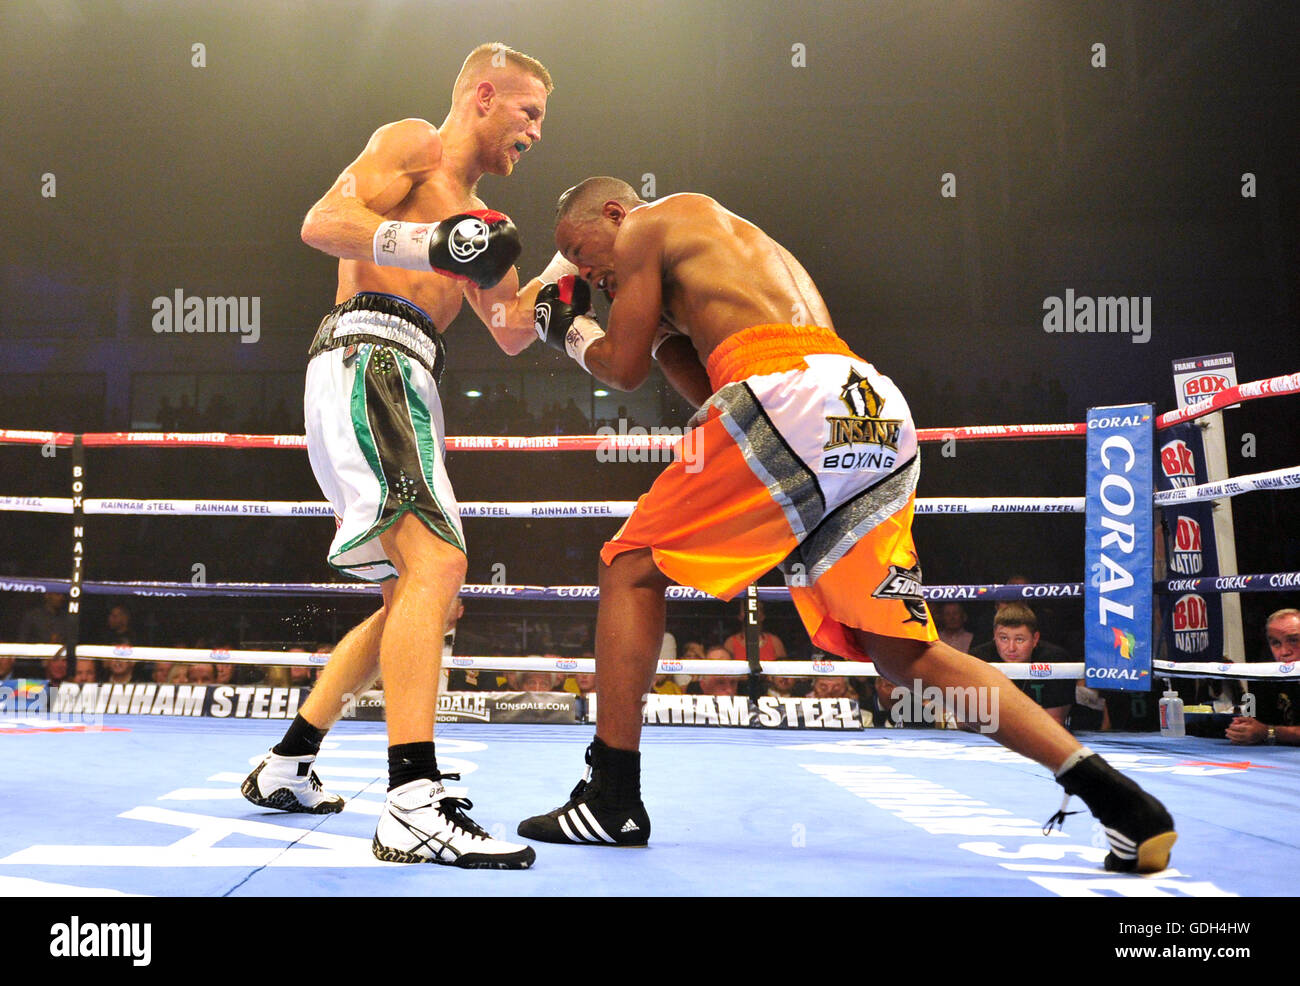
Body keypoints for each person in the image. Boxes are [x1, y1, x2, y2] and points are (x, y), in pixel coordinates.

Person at [518, 178, 1175, 872]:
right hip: (868, 410)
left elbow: (617, 370)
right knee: (899, 651)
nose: (582, 272)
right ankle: (1119, 801)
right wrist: (642, 331)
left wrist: (566, 328)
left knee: (629, 566)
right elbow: (710, 386)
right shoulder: (714, 257)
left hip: (793, 395)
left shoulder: (649, 221)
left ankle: (611, 797)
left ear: (614, 214)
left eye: (577, 250)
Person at [241, 43, 566, 869]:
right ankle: (414, 801)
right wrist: (431, 244)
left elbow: (509, 326)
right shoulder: (414, 143)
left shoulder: (486, 225)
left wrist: (575, 274)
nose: (536, 131)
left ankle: (288, 762)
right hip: (371, 355)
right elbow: (322, 221)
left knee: (414, 599)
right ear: (485, 96)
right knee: (438, 566)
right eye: (528, 112)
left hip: (407, 378)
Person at [971, 603, 1074, 726]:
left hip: (1038, 739)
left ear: (1035, 639)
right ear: (994, 635)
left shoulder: (1055, 659)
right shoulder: (978, 659)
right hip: (986, 739)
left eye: (1019, 639)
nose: (1011, 648)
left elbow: (1054, 722)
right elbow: (964, 720)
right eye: (1004, 638)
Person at [1228, 608, 1300, 746]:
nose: (1284, 652)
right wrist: (1242, 728)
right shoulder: (1270, 678)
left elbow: (1266, 730)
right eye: (1276, 643)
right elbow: (1258, 723)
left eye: (1293, 640)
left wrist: (1269, 732)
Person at [722, 600, 787, 663]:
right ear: (739, 616)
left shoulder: (774, 642)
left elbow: (782, 669)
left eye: (757, 609)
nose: (751, 613)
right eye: (746, 610)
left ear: (763, 616)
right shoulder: (730, 643)